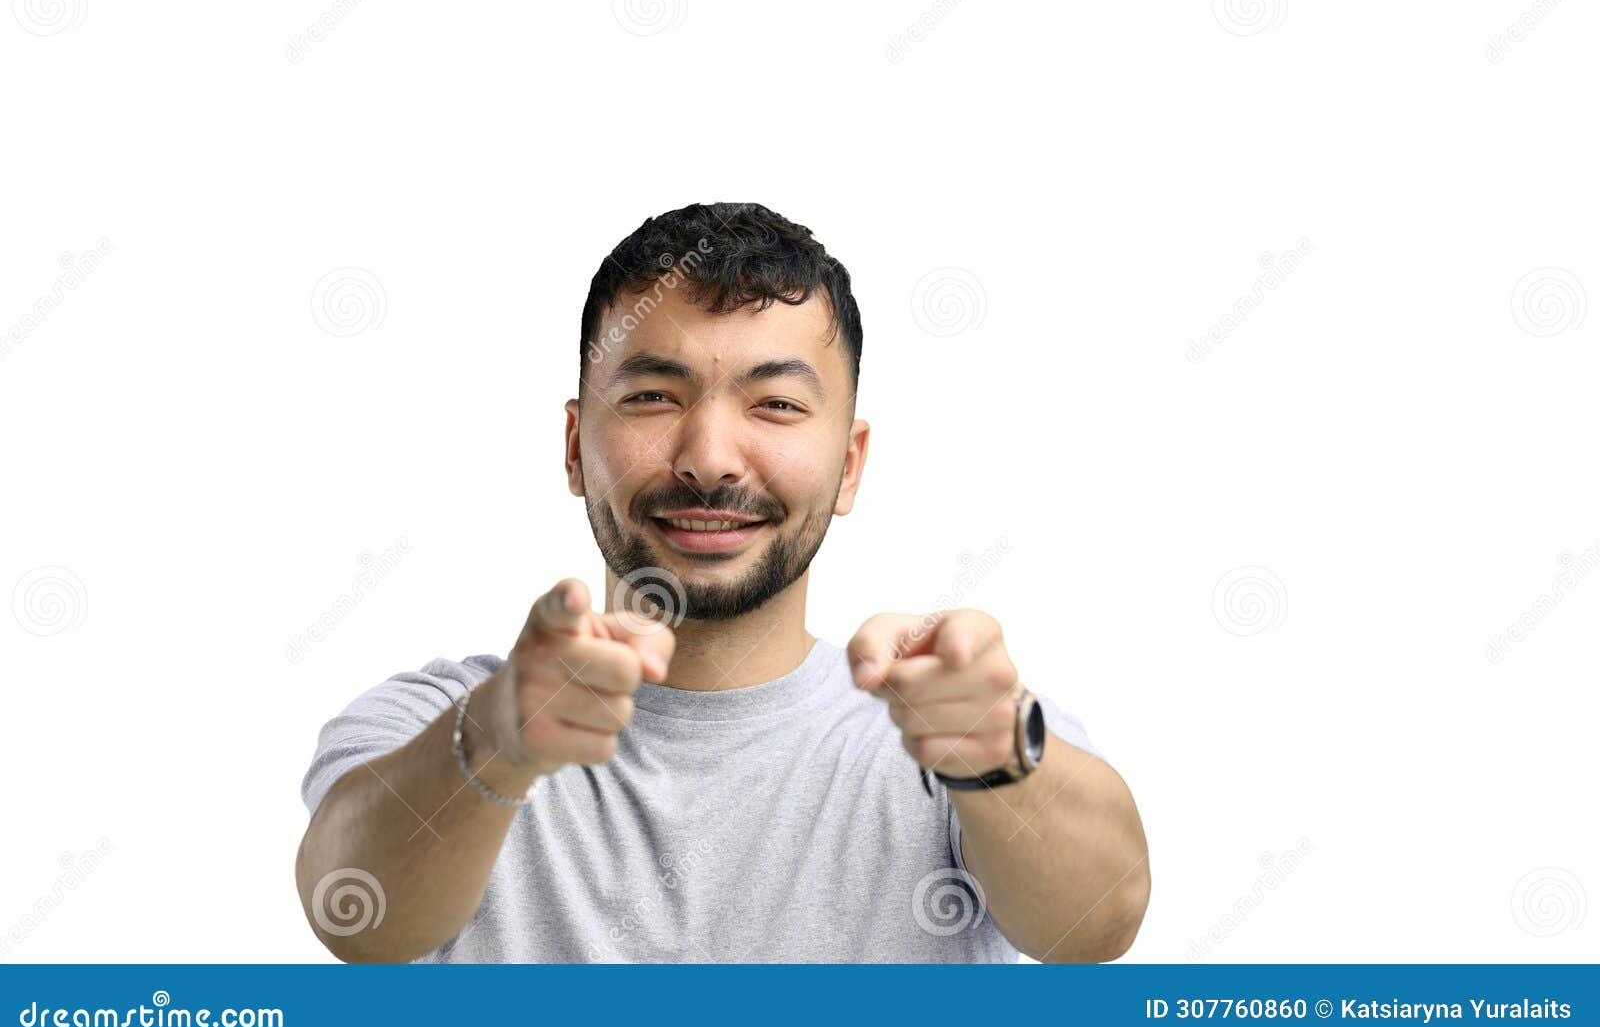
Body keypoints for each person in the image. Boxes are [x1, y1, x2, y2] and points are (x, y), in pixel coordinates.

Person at [294, 202, 1150, 962]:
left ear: (849, 466)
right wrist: (494, 743)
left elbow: (1099, 926)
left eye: (775, 405)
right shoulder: (433, 723)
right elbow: (358, 917)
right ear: (571, 450)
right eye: (654, 397)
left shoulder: (946, 723)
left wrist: (996, 756)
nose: (708, 459)